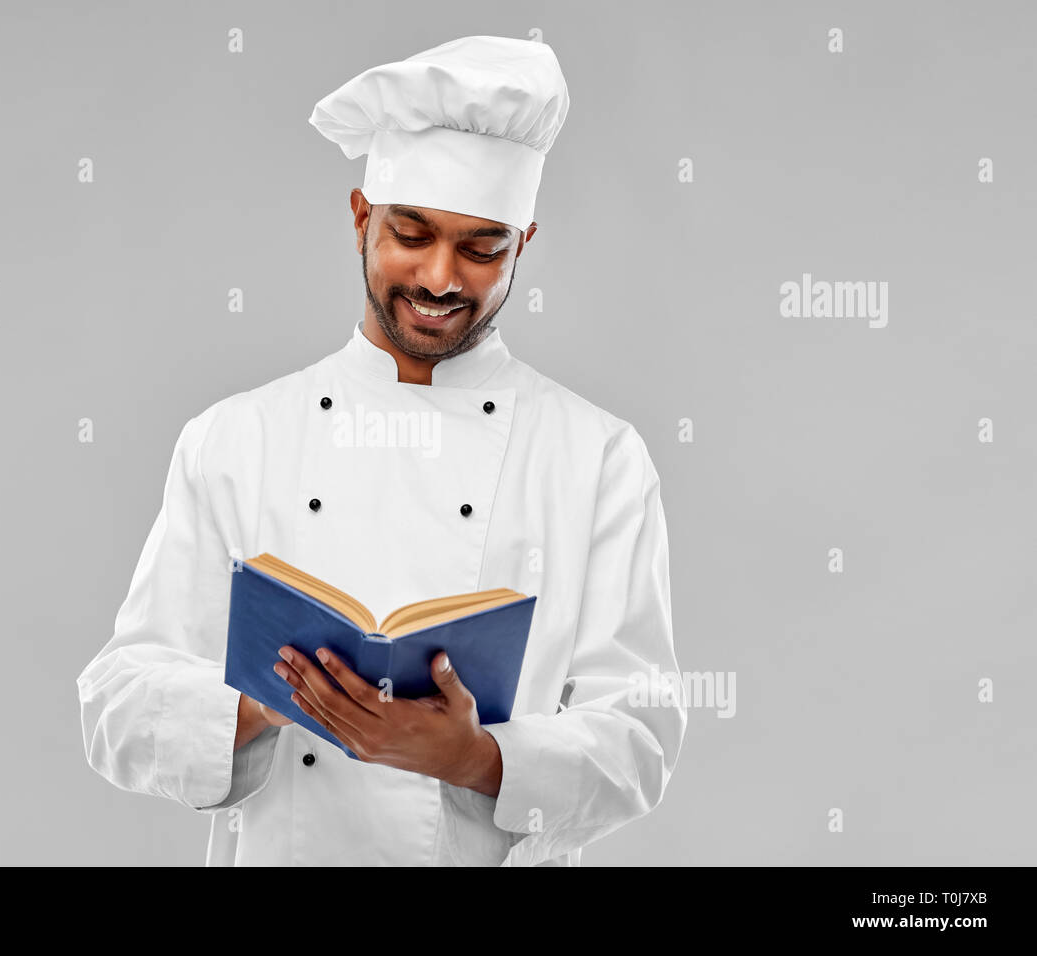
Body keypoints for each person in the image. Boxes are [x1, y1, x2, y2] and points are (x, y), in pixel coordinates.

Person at [76, 34, 686, 866]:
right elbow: (114, 705)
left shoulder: (598, 458)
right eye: (412, 233)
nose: (441, 277)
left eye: (482, 248)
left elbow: (640, 734)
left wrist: (476, 758)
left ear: (524, 245)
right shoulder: (236, 439)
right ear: (362, 220)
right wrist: (268, 700)